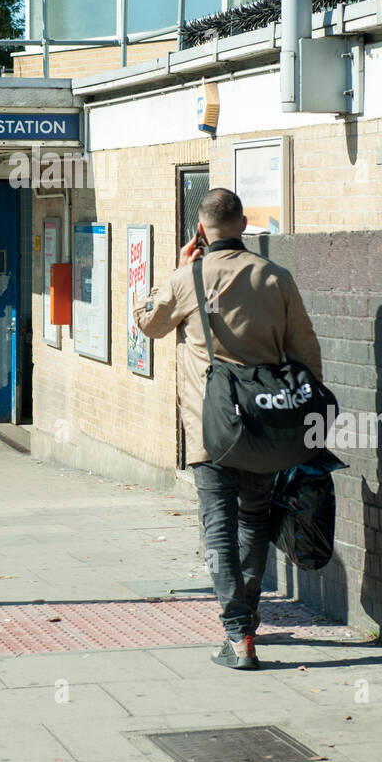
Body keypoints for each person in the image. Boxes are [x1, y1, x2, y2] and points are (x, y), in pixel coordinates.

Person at [134, 187, 322, 672]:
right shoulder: (275, 277)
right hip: (263, 426)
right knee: (253, 521)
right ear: (243, 224)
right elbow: (306, 354)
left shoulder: (186, 278)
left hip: (208, 427)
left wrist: (175, 270)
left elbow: (148, 325)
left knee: (217, 527)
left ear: (201, 230)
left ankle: (238, 634)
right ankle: (248, 623)